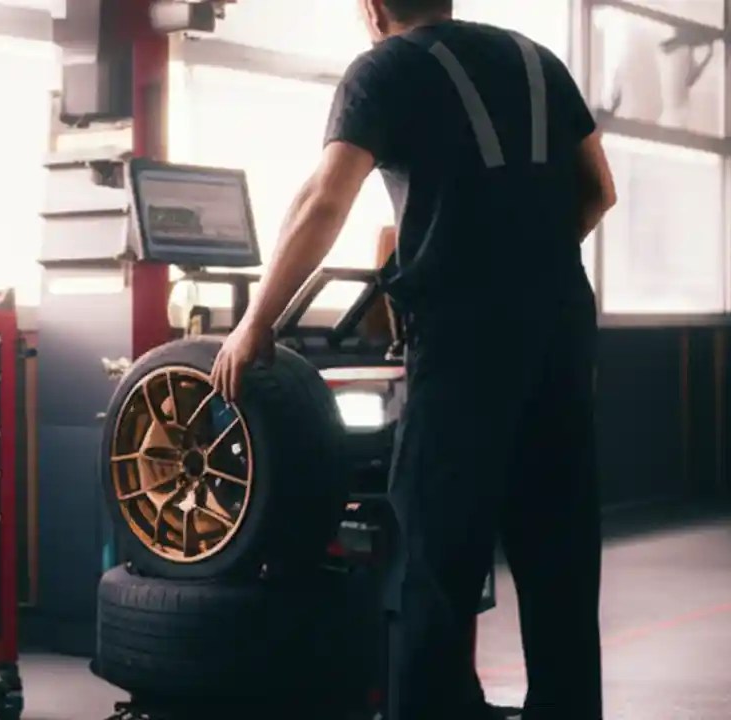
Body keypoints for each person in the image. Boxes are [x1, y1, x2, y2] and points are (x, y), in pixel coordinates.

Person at [209, 0, 618, 718]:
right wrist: (531, 265)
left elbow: (323, 202)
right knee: (560, 557)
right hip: (560, 326)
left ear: (371, 8)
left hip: (464, 338)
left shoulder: (383, 70)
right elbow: (599, 191)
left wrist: (254, 324)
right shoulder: (537, 60)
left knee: (435, 565)